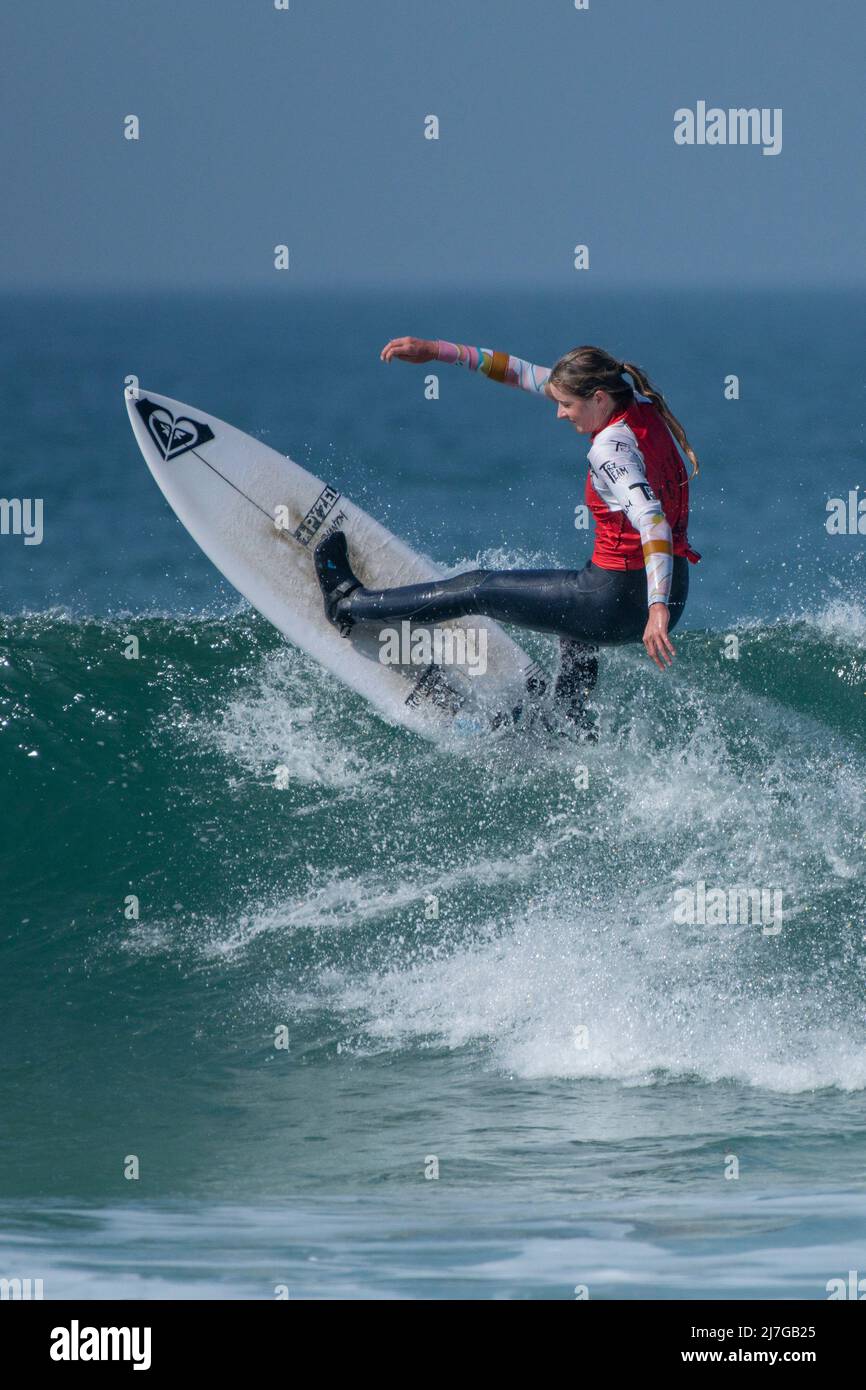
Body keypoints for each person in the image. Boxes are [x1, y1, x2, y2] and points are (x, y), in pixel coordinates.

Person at [314, 339, 701, 736]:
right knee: (573, 626)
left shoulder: (610, 450)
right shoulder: (636, 402)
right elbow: (519, 372)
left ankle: (350, 605)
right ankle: (568, 727)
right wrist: (435, 350)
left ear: (599, 399)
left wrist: (655, 609)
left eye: (567, 405)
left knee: (478, 588)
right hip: (672, 587)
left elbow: (651, 520)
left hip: (624, 602)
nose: (558, 413)